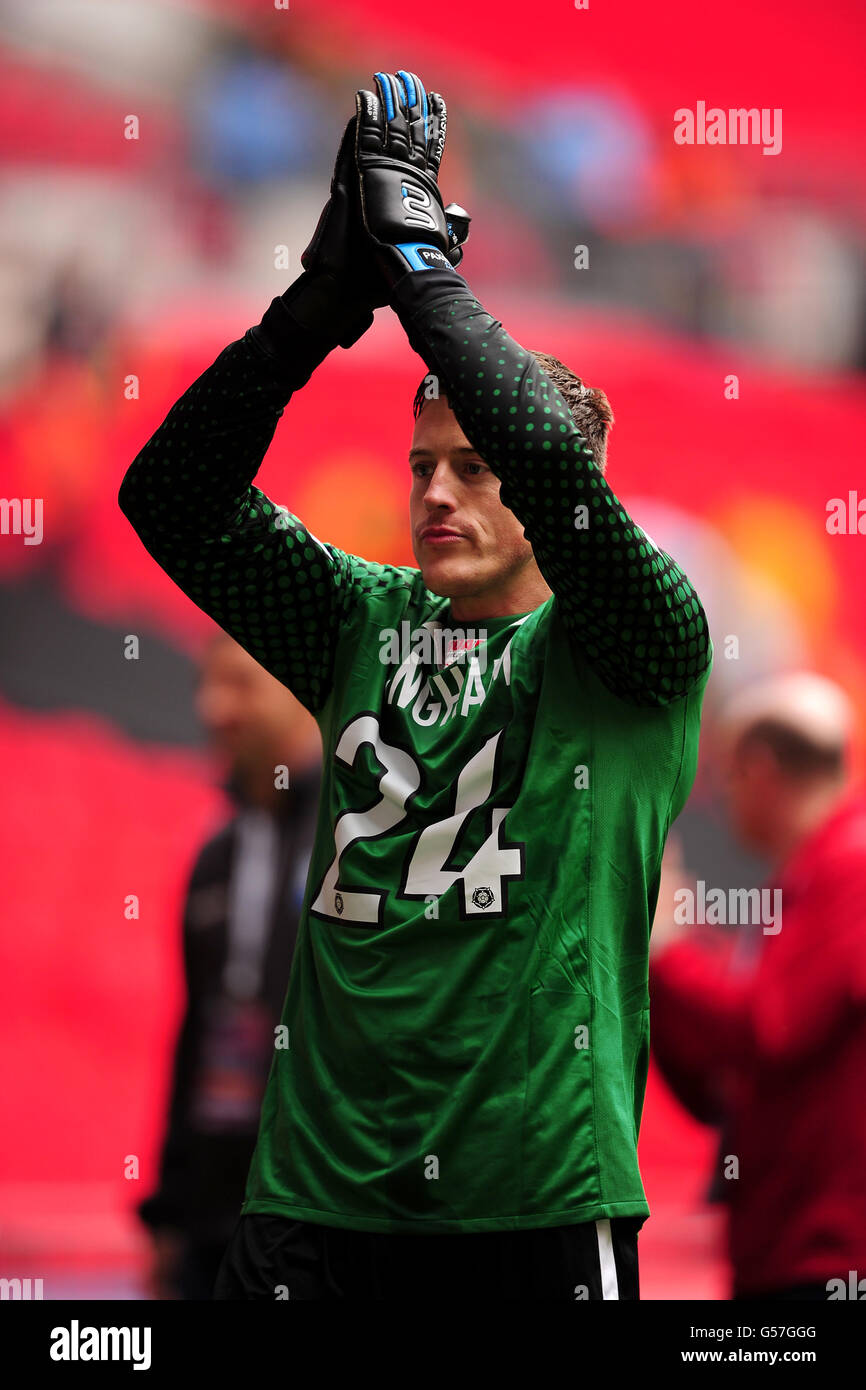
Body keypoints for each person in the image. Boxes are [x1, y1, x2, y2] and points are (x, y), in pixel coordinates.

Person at [119, 71, 712, 1300]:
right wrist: (321, 306)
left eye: (474, 469)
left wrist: (425, 277)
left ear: (557, 498)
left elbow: (551, 453)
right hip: (313, 1198)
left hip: (528, 1195)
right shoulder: (356, 615)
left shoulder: (632, 645)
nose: (437, 493)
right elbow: (168, 495)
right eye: (422, 466)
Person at [650, 672, 866, 1300]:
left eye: (727, 777)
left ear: (763, 766)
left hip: (824, 1255)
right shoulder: (814, 874)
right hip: (796, 1246)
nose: (723, 798)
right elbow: (729, 1074)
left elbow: (765, 1028)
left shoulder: (850, 868)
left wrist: (666, 946)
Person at [137, 632, 321, 1299]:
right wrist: (168, 1211)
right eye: (207, 686)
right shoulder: (215, 856)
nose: (215, 708)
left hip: (325, 1213)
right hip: (217, 1216)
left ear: (303, 688)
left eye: (240, 685)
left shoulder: (363, 836)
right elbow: (198, 1034)